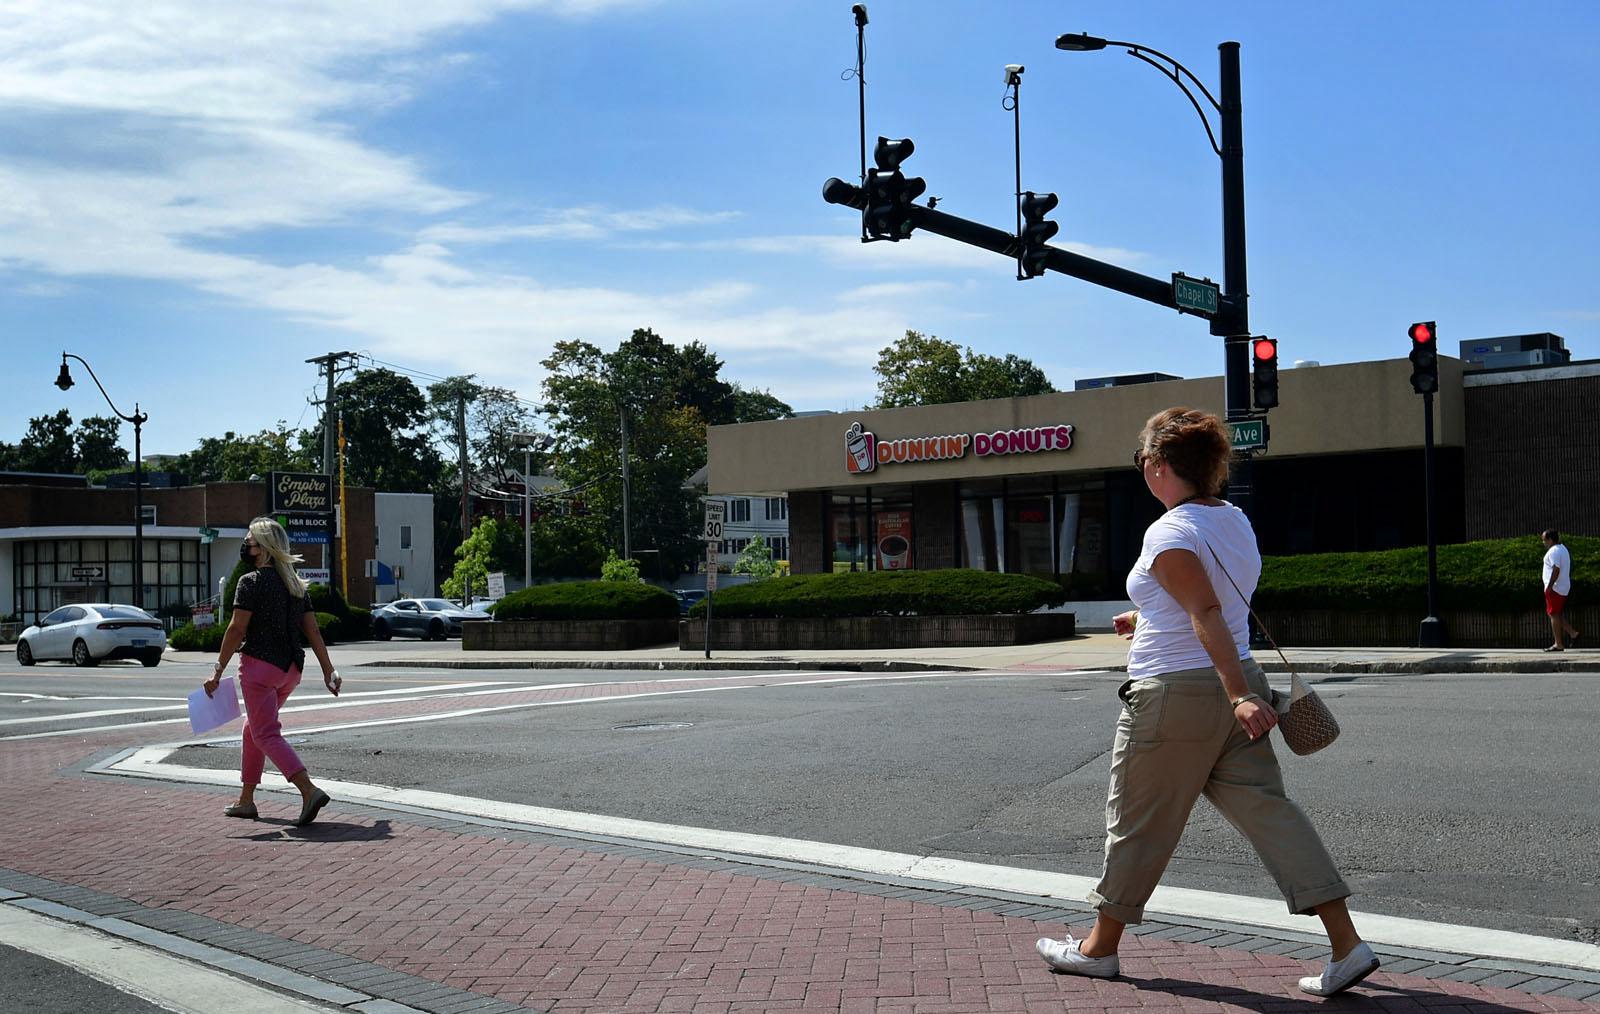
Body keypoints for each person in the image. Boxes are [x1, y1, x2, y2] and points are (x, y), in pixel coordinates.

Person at [1035, 407, 1378, 998]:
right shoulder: (1234, 519)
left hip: (1180, 695)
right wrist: (1146, 618)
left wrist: (1239, 694)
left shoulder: (1168, 531)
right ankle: (1347, 946)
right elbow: (1207, 602)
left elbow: (1206, 611)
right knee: (1272, 815)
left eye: (1144, 461)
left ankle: (1098, 950)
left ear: (1162, 465)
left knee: (1138, 824)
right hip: (1233, 678)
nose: (1143, 471)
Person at [203, 516, 340, 826]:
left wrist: (216, 670)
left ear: (262, 547)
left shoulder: (250, 582)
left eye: (249, 541)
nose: (246, 546)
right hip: (290, 671)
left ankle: (308, 790)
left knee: (265, 733)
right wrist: (329, 671)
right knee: (253, 729)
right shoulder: (295, 585)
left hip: (259, 669)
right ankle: (247, 800)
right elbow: (314, 632)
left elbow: (237, 629)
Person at [1541, 529, 1579, 652]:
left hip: (1555, 587)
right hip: (1562, 586)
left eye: (1544, 540)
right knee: (1555, 613)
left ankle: (1558, 644)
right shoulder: (1563, 549)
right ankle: (1573, 633)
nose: (1543, 542)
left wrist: (1550, 586)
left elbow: (1556, 569)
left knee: (1553, 614)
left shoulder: (1553, 552)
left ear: (1550, 540)